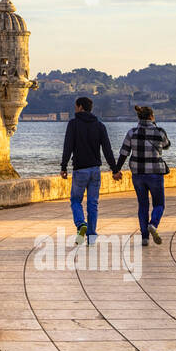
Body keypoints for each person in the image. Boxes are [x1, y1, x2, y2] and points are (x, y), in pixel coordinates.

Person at [60, 96, 117, 245]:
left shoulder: (73, 124)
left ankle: (80, 224)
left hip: (80, 170)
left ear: (80, 107)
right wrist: (114, 169)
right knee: (93, 203)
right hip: (95, 170)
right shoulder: (99, 125)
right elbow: (107, 149)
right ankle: (91, 235)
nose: (74, 109)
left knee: (75, 200)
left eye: (75, 106)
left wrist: (63, 166)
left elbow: (68, 147)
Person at [114, 105, 172, 246]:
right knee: (159, 204)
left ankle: (145, 237)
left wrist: (116, 170)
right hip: (155, 174)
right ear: (152, 116)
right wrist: (155, 126)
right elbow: (167, 145)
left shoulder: (131, 133)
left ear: (139, 117)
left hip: (138, 174)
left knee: (143, 205)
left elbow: (124, 153)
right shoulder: (159, 132)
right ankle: (153, 224)